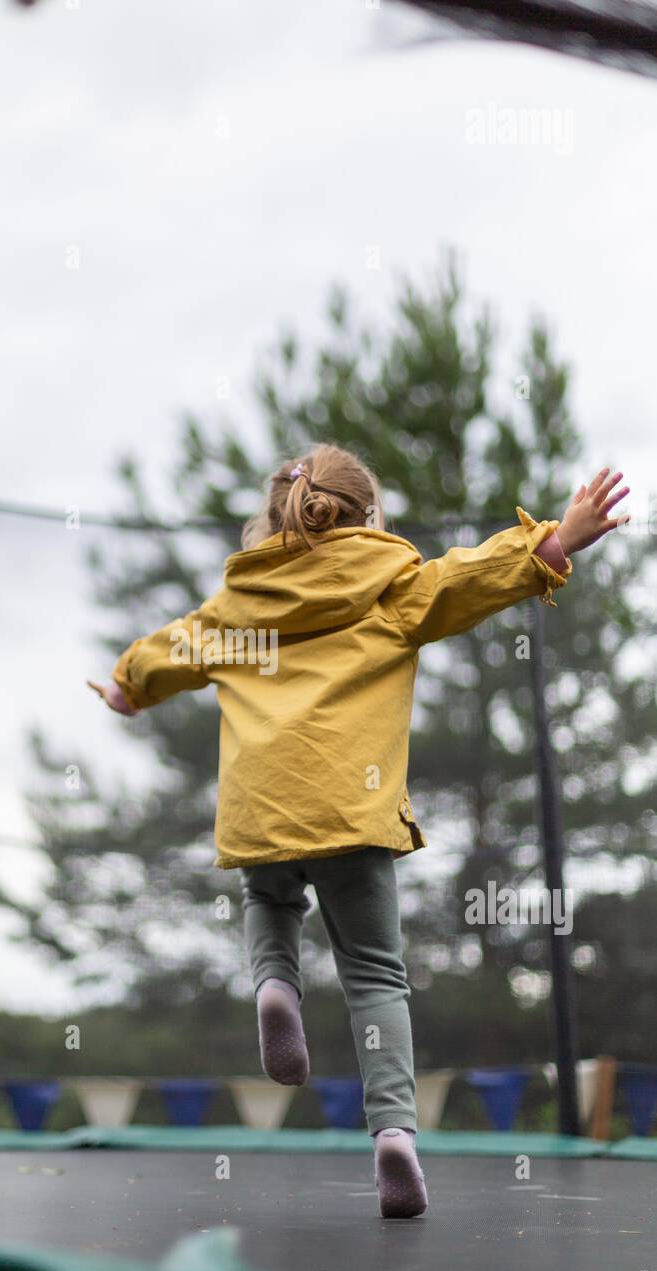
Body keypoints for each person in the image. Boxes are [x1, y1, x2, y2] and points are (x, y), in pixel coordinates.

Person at [89, 444, 629, 1218]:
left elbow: (170, 651)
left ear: (275, 517)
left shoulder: (237, 609)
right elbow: (471, 578)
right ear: (366, 518)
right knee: (376, 976)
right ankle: (395, 1139)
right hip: (352, 809)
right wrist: (556, 539)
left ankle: (276, 986)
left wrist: (127, 686)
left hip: (263, 807)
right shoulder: (392, 591)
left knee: (270, 905)